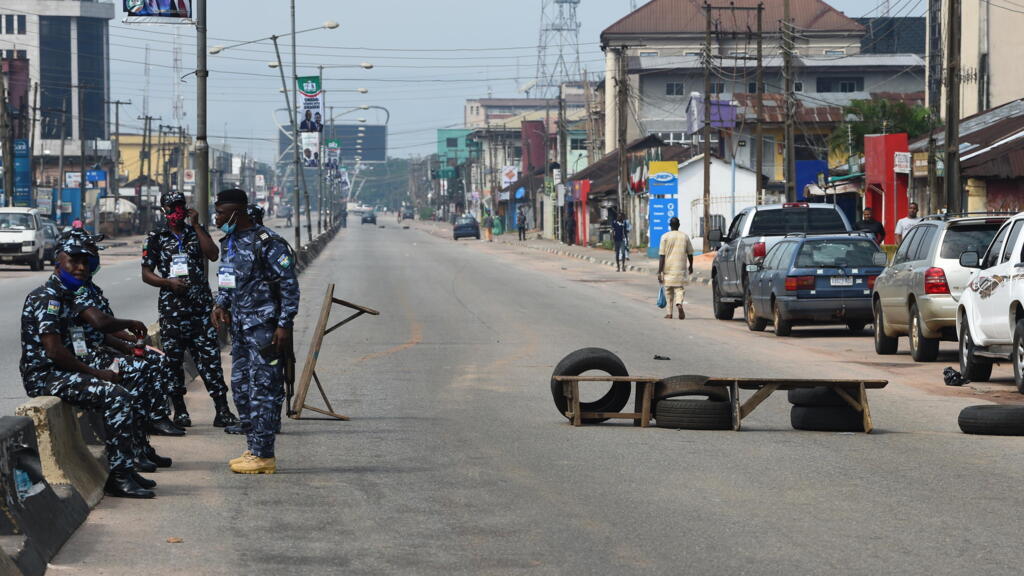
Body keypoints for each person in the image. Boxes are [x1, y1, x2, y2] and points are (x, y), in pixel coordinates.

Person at [20, 232, 154, 498]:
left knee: (125, 387)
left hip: (63, 371)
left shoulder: (67, 295)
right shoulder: (50, 298)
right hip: (46, 375)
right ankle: (118, 477)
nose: (81, 268)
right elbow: (54, 351)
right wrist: (97, 373)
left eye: (85, 262)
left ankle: (125, 466)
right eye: (73, 261)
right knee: (116, 396)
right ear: (58, 262)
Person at [211, 188, 300, 475]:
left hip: (265, 329)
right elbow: (226, 277)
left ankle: (265, 455)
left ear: (237, 212)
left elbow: (289, 286)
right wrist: (221, 303)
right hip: (239, 328)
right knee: (241, 388)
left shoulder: (269, 244)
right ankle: (253, 447)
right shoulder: (231, 242)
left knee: (264, 389)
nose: (218, 217)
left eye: (222, 213)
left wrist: (284, 324)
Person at [142, 192, 239, 429]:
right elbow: (146, 274)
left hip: (200, 310)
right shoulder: (156, 237)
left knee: (211, 361)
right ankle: (181, 412)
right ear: (164, 210)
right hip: (172, 311)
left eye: (180, 206)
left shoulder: (196, 232)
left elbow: (213, 254)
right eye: (171, 207)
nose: (176, 211)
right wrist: (167, 283)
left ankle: (222, 410)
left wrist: (196, 226)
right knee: (173, 363)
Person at [658, 217, 694, 320]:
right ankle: (679, 304)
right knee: (679, 289)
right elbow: (690, 253)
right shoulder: (685, 237)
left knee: (668, 290)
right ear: (678, 225)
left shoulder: (664, 237)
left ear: (670, 225)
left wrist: (659, 271)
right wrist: (691, 266)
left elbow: (662, 255)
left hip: (667, 268)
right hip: (680, 267)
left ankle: (669, 313)